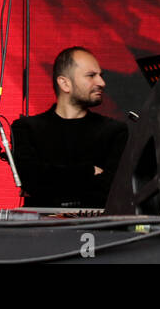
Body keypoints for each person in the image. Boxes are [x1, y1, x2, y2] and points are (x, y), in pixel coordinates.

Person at [10, 47, 129, 208]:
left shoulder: (115, 131)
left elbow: (111, 189)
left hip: (96, 229)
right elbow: (31, 180)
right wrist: (88, 171)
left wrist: (53, 179)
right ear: (65, 83)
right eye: (91, 76)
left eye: (101, 75)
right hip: (40, 230)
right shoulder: (26, 129)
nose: (101, 83)